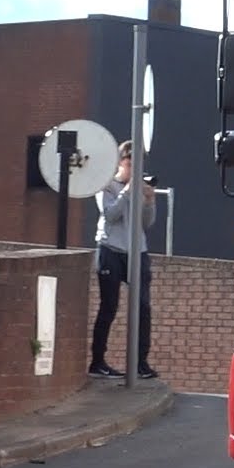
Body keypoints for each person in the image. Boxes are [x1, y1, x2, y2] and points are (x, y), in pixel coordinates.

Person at [88, 140, 159, 379]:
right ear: (120, 163)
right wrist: (128, 193)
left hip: (137, 250)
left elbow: (146, 223)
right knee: (109, 306)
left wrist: (149, 201)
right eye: (129, 164)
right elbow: (109, 215)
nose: (133, 170)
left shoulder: (139, 186)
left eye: (137, 165)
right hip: (110, 249)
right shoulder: (107, 185)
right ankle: (97, 361)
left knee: (143, 307)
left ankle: (140, 363)